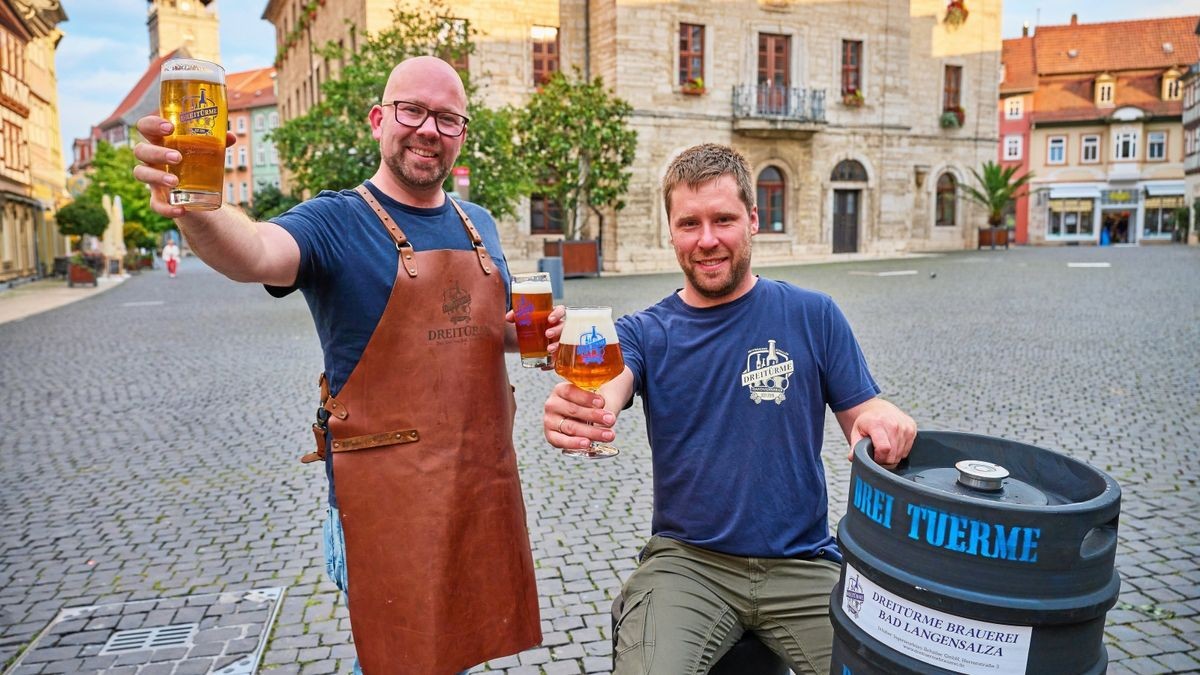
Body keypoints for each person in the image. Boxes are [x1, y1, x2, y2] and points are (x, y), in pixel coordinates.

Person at [132, 56, 541, 673]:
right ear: (380, 120)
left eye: (448, 118)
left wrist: (534, 334)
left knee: (454, 653)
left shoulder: (477, 223)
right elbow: (255, 254)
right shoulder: (336, 220)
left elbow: (490, 331)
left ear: (462, 133)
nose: (429, 129)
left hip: (476, 483)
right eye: (412, 111)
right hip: (385, 499)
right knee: (395, 657)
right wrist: (196, 204)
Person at [542, 143, 917, 674]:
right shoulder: (645, 332)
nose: (707, 239)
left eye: (723, 219)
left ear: (754, 221)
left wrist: (884, 421)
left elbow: (864, 415)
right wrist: (584, 405)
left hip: (802, 564)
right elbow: (611, 382)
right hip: (687, 565)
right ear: (670, 232)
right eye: (689, 223)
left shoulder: (813, 315)